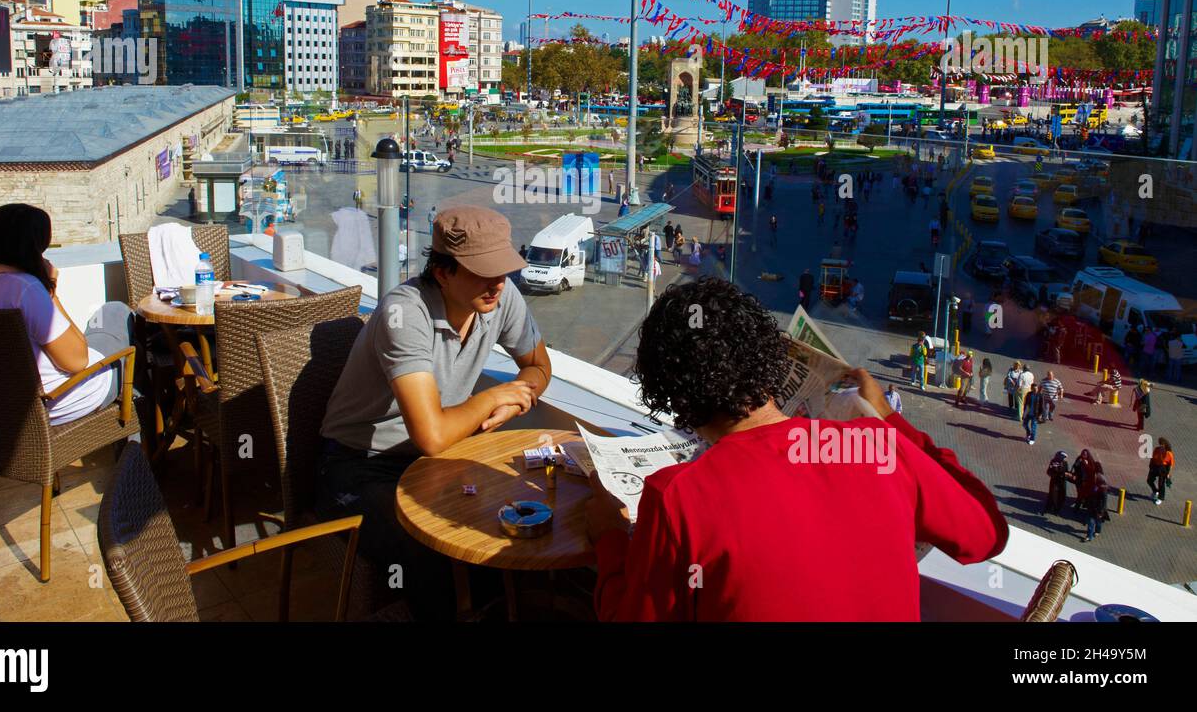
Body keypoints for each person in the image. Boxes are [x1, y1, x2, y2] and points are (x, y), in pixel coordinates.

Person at [584, 279, 1007, 621]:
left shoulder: (678, 497)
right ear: (772, 360)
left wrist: (608, 538)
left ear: (671, 395)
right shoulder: (878, 448)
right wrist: (890, 422)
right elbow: (985, 536)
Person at [316, 206, 552, 619]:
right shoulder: (406, 314)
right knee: (431, 549)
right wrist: (489, 400)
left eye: (503, 269)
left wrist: (519, 396)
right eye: (483, 271)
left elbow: (538, 366)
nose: (497, 282)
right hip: (361, 465)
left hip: (437, 461)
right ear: (442, 272)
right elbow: (431, 435)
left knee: (511, 523)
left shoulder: (501, 296)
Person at [0, 204, 142, 430]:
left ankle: (137, 434)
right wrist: (50, 291)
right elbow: (76, 362)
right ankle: (141, 438)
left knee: (108, 316)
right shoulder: (22, 289)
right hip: (51, 405)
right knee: (120, 320)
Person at [1147, 438, 1175, 505]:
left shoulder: (1169, 453)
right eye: (1160, 444)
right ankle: (1155, 491)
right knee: (1149, 480)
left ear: (1165, 445)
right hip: (1155, 466)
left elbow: (1171, 465)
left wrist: (1169, 474)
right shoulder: (1156, 449)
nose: (1161, 446)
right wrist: (1150, 465)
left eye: (1162, 445)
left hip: (1163, 468)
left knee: (1161, 484)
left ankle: (1160, 498)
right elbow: (1152, 458)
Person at [1084, 472, 1109, 543]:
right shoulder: (1096, 486)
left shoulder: (1103, 490)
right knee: (1091, 522)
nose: (1094, 479)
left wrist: (1101, 512)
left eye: (1095, 478)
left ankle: (1096, 531)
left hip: (1097, 509)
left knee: (1097, 521)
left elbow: (1104, 502)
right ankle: (1089, 536)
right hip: (1092, 507)